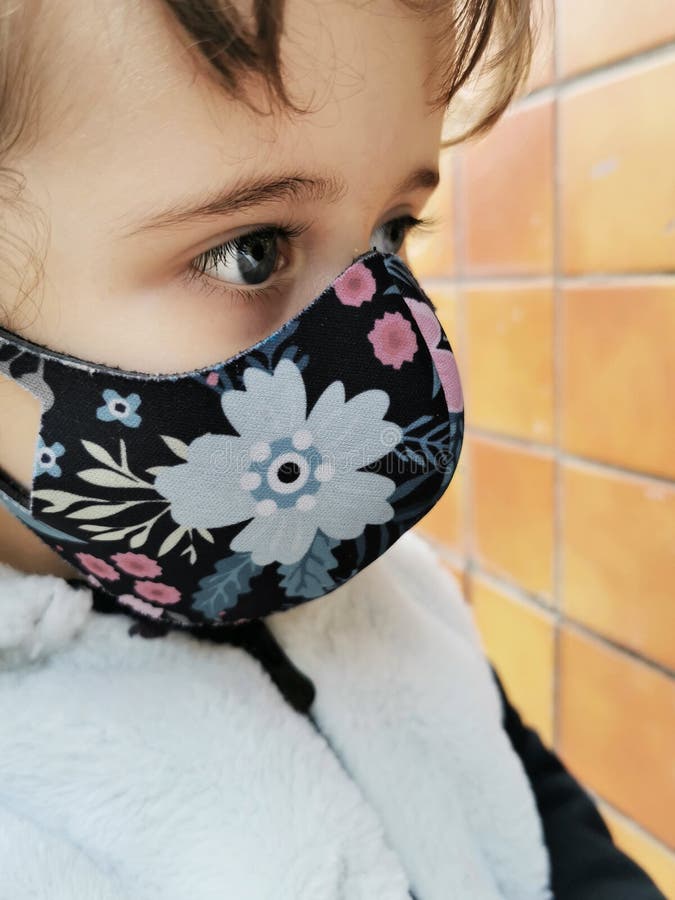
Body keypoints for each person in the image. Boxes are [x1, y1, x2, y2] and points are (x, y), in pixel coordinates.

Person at [0, 1, 665, 897]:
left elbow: (538, 816)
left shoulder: (384, 602)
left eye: (392, 231)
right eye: (251, 251)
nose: (386, 349)